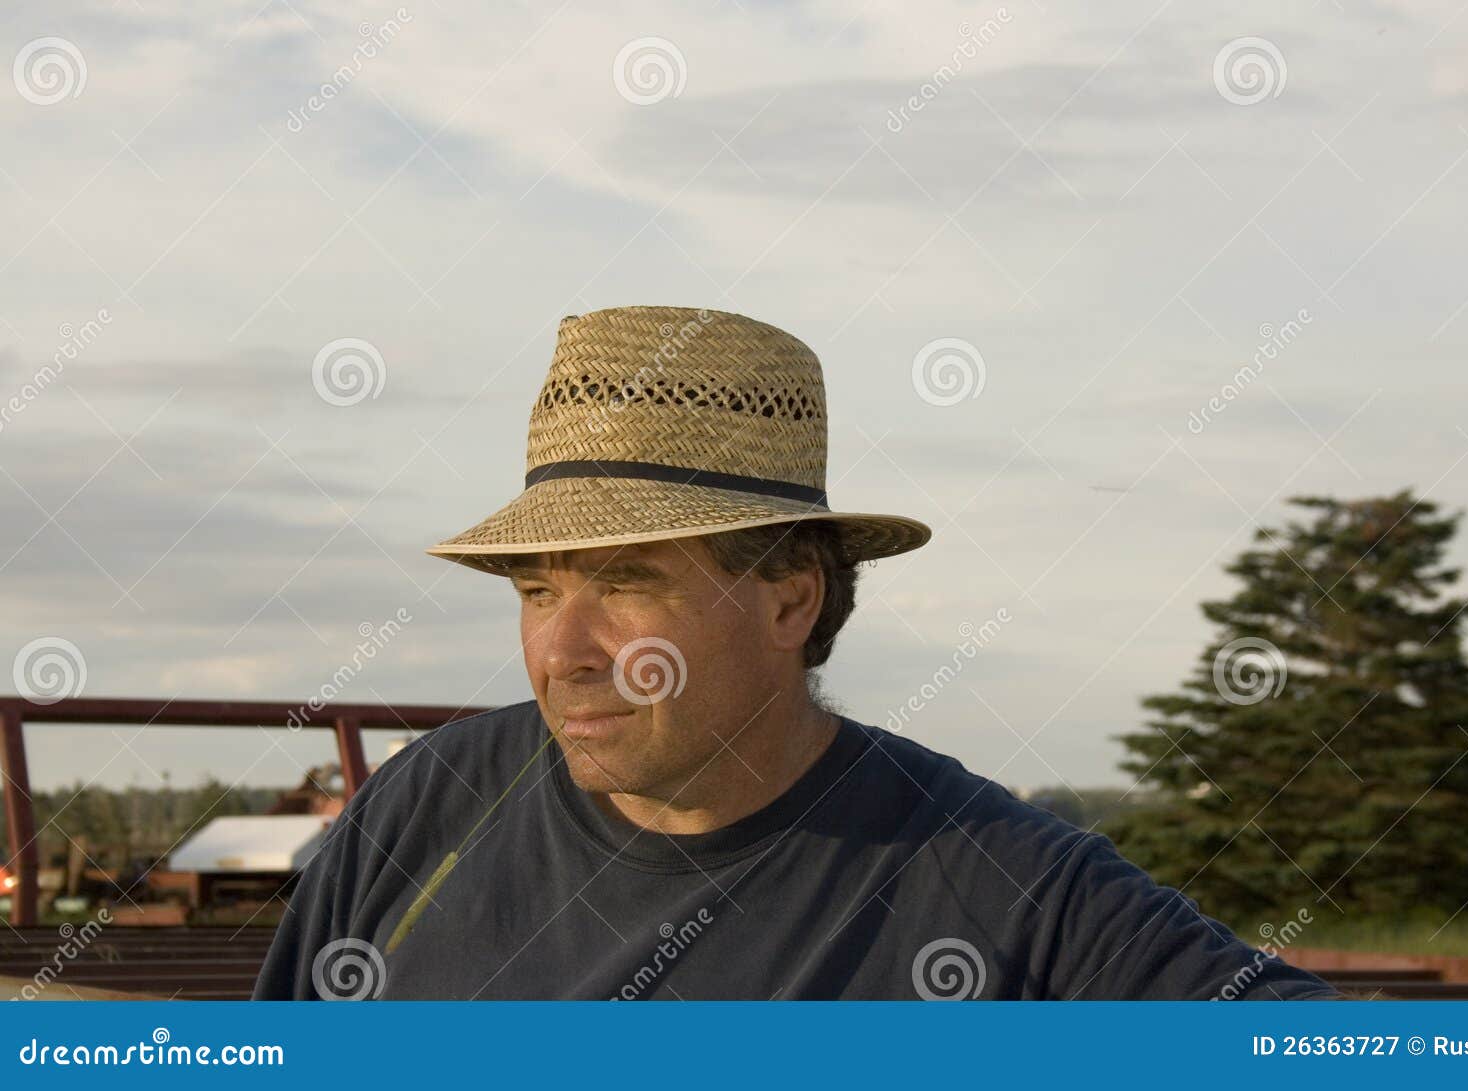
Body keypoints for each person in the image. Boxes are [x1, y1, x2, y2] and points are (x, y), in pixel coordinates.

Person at [252, 305, 1337, 1001]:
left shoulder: (993, 878)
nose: (562, 650)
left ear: (789, 599)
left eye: (626, 583)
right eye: (539, 590)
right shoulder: (430, 805)